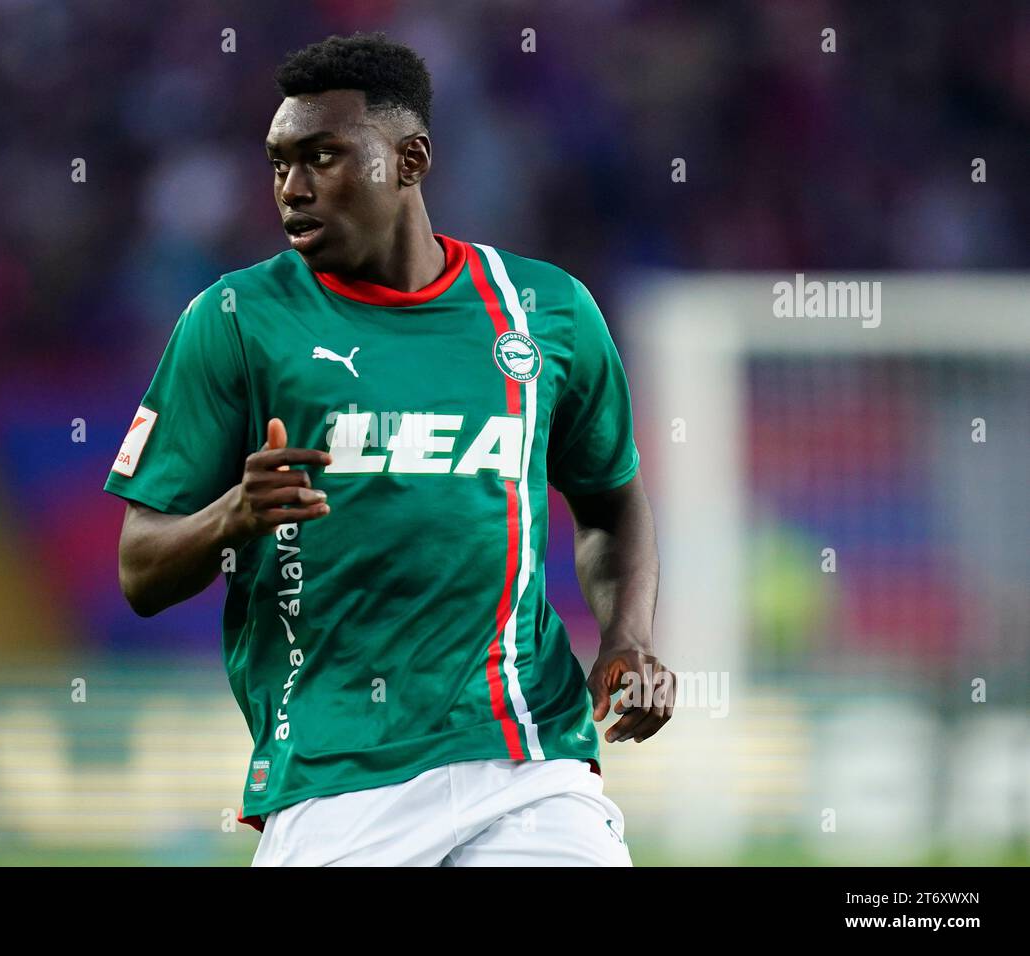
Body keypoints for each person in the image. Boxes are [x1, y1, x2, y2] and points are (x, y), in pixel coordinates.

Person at [106, 31, 673, 866]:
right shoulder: (233, 322)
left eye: (322, 157)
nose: (291, 189)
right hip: (336, 781)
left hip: (530, 760)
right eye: (277, 164)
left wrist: (629, 635)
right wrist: (233, 515)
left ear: (410, 160)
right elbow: (139, 569)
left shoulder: (544, 312)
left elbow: (611, 502)